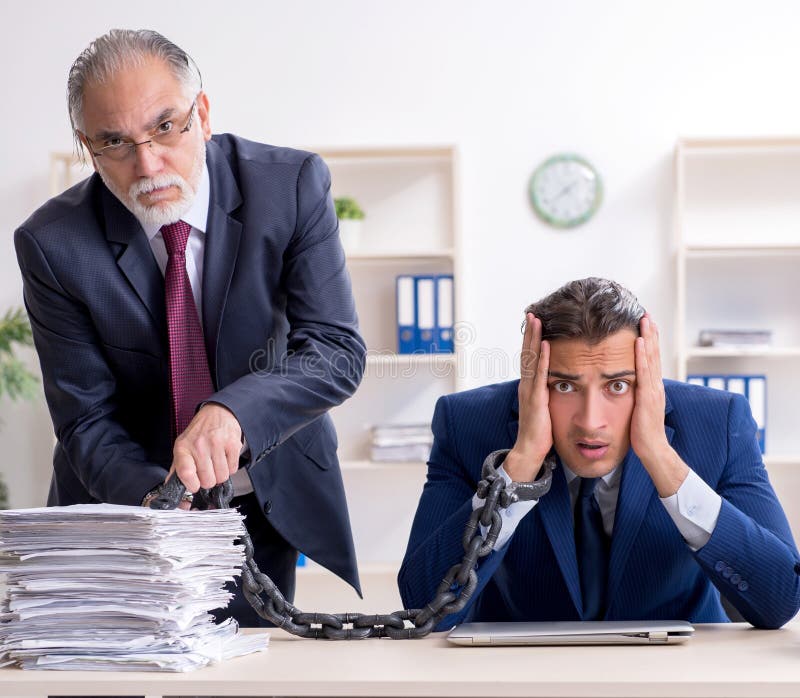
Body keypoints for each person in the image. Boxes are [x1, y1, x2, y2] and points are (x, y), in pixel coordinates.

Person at [14, 29, 366, 626]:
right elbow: (85, 418)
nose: (147, 163)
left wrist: (234, 413)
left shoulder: (290, 185)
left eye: (165, 127)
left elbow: (335, 350)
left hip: (262, 493)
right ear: (86, 146)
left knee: (247, 676)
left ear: (201, 111)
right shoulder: (53, 244)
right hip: (121, 505)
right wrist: (159, 502)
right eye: (116, 143)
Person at [399, 277, 800, 630]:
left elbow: (780, 601)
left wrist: (661, 456)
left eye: (617, 386)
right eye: (565, 387)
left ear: (647, 378)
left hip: (679, 678)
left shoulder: (718, 422)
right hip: (522, 677)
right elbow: (424, 606)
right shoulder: (467, 424)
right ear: (534, 377)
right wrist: (519, 465)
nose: (591, 422)